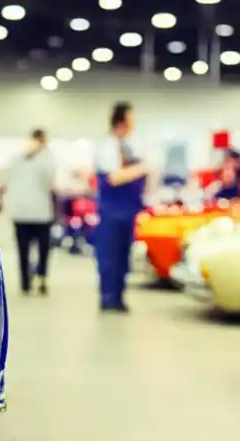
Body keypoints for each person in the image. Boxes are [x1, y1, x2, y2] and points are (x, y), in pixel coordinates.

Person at [93, 102, 148, 313]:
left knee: (124, 256)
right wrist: (142, 168)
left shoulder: (132, 147)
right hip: (111, 210)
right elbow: (114, 178)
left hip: (129, 210)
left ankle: (119, 296)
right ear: (121, 120)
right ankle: (108, 297)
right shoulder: (107, 147)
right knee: (109, 256)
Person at [6, 129, 58, 295]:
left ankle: (30, 280)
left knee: (28, 250)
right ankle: (35, 278)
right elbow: (50, 179)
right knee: (37, 249)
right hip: (35, 213)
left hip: (29, 213)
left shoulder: (19, 158)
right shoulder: (41, 158)